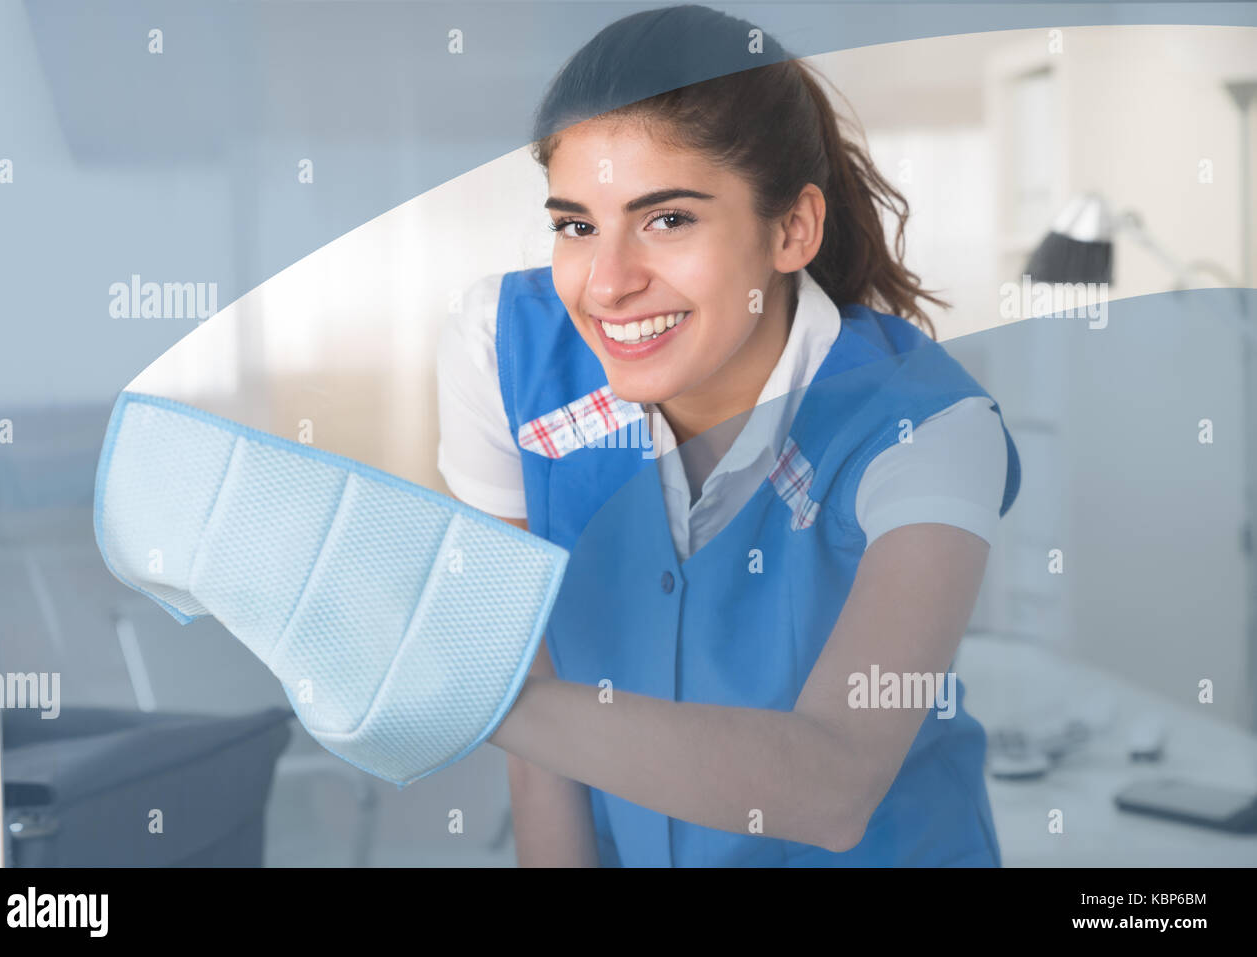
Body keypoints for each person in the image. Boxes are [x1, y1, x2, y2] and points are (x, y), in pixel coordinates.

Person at [436, 4, 1021, 866]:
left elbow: (834, 782)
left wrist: (469, 687)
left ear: (792, 229)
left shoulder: (927, 428)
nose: (607, 283)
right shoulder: (501, 348)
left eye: (668, 218)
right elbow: (543, 756)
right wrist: (514, 697)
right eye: (576, 225)